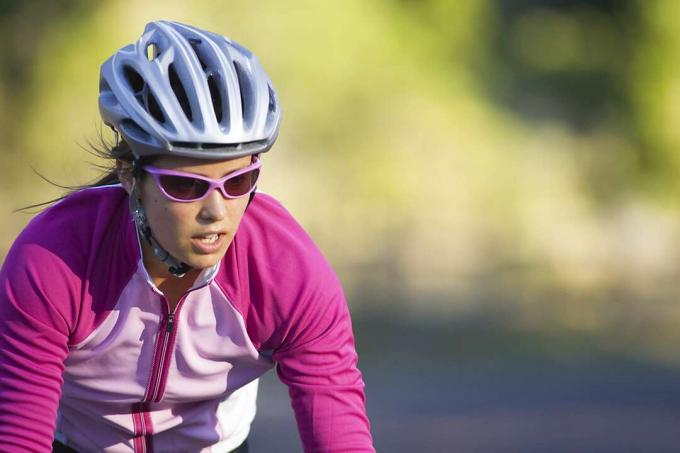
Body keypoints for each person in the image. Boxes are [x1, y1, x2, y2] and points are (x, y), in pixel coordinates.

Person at [0, 20, 374, 452]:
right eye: (185, 185)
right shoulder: (54, 260)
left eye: (239, 181)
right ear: (129, 174)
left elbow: (341, 441)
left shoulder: (286, 269)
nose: (217, 211)